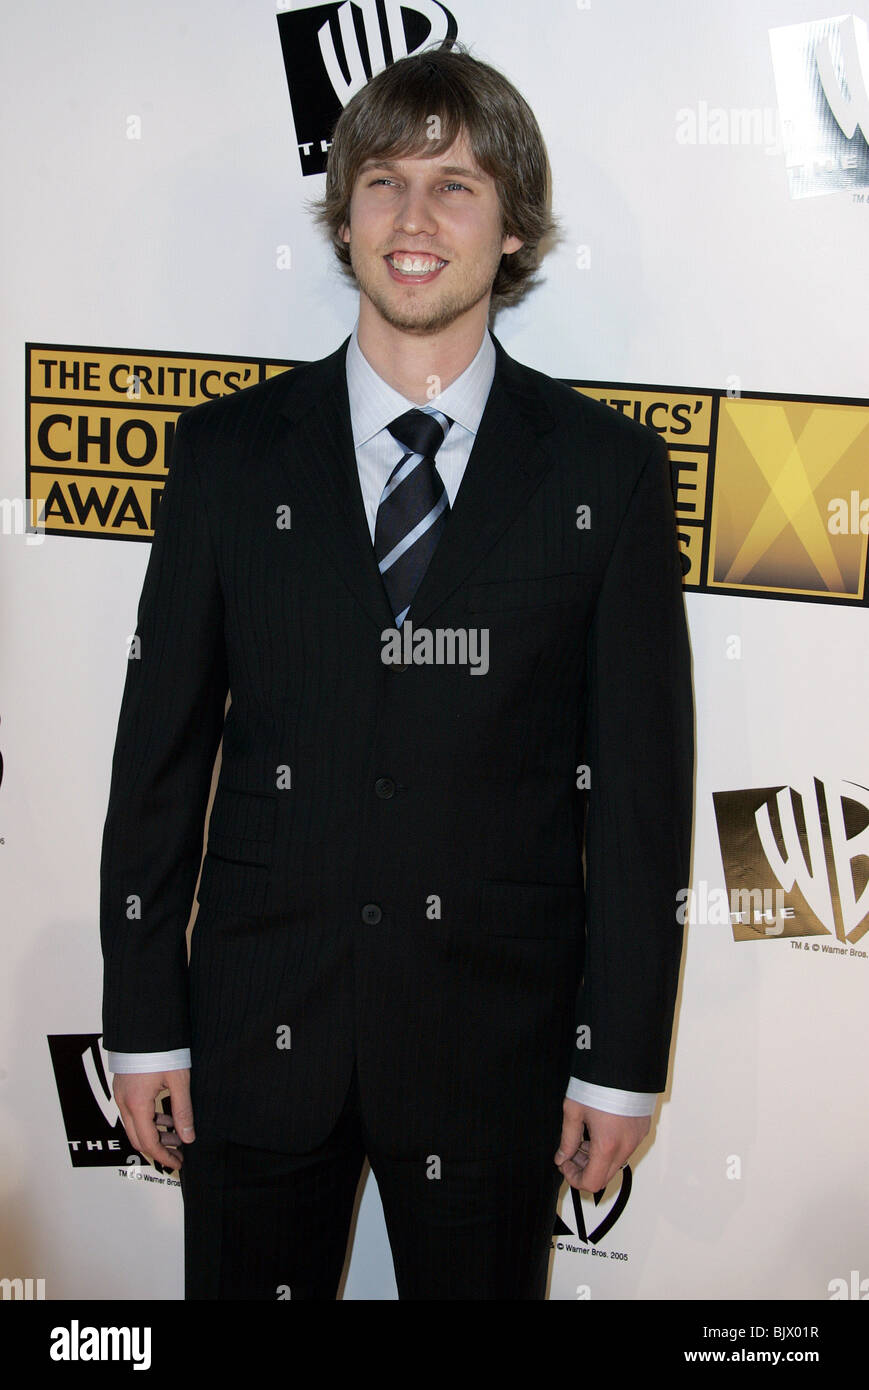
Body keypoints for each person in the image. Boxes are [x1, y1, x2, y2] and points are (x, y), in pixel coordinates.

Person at [100, 43, 694, 1300]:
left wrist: (618, 1058)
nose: (412, 219)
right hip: (257, 1038)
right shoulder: (223, 460)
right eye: (382, 181)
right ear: (343, 215)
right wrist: (146, 1019)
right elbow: (157, 767)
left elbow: (638, 801)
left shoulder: (607, 476)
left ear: (514, 233)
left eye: (456, 185)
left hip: (493, 1053)